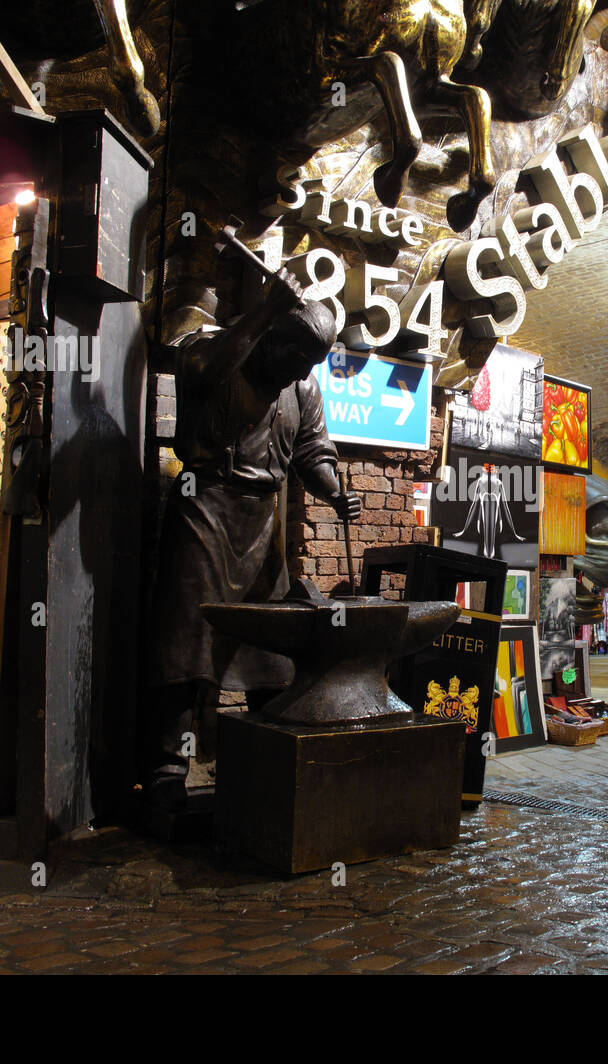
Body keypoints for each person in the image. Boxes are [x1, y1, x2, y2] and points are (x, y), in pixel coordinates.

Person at [140, 268, 362, 809]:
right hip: (206, 507)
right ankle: (167, 766)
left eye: (307, 365)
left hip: (262, 522)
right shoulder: (215, 348)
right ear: (271, 334)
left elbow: (313, 450)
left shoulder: (301, 386)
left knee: (271, 649)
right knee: (188, 639)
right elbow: (200, 373)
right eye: (291, 356)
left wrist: (334, 490)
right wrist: (264, 309)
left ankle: (262, 759)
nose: (295, 372)